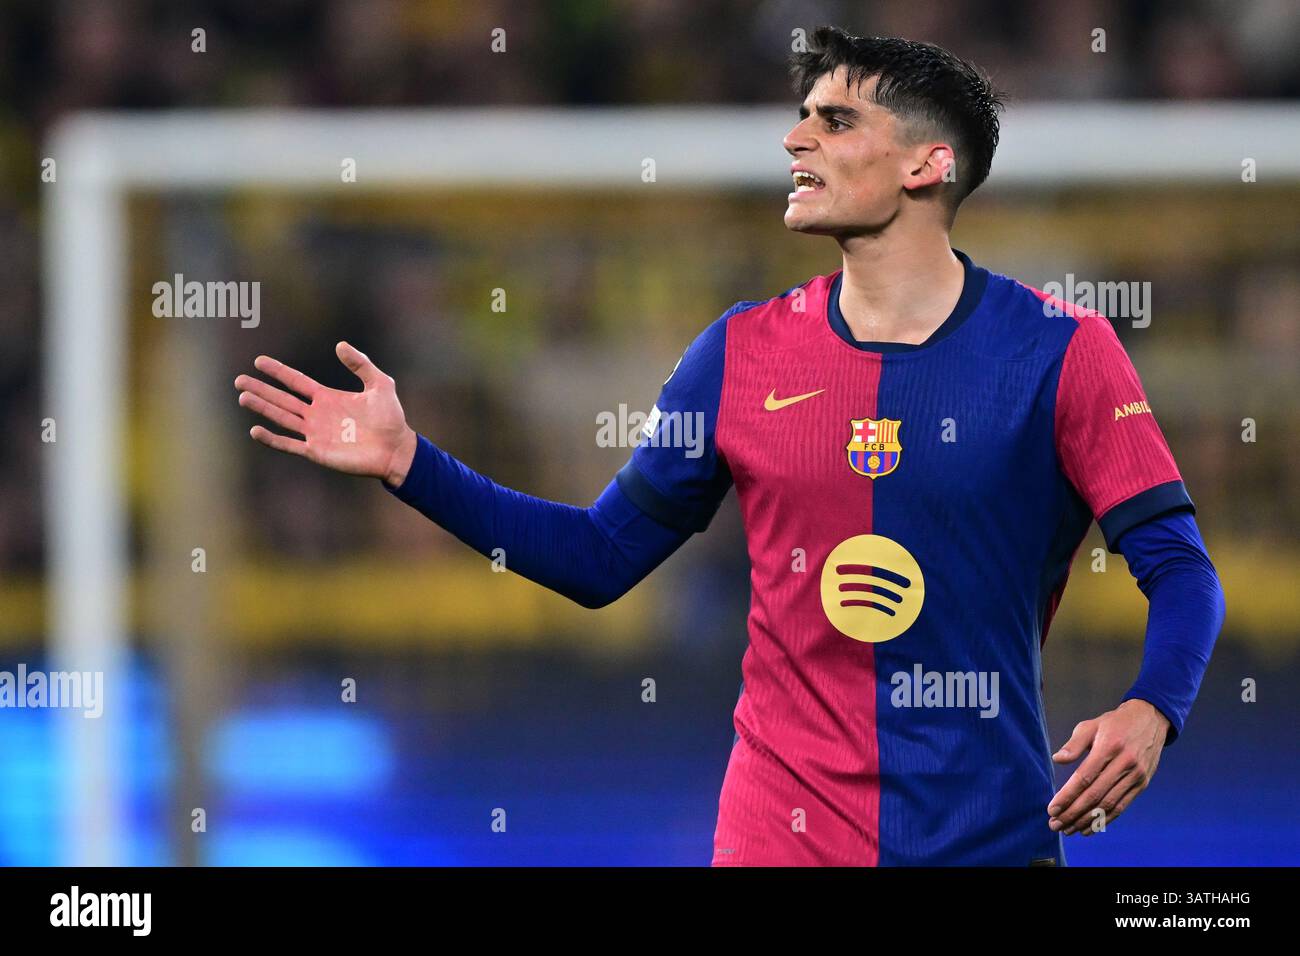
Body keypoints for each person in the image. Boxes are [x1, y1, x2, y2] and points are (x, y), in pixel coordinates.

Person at [235, 27, 1224, 866]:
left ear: (928, 165)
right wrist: (412, 462)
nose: (795, 137)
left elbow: (1179, 567)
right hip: (778, 834)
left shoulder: (1059, 351)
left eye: (836, 121)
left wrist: (1152, 707)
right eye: (802, 116)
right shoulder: (738, 353)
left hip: (987, 833)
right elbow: (598, 558)